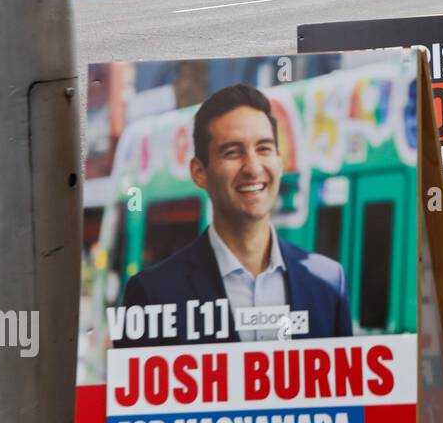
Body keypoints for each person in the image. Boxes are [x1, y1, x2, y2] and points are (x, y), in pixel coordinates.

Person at [119, 84, 352, 346]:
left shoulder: (328, 283)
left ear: (279, 160)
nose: (253, 168)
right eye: (232, 152)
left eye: (264, 149)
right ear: (199, 172)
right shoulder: (152, 293)